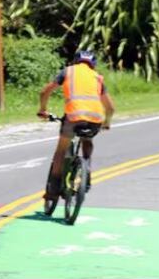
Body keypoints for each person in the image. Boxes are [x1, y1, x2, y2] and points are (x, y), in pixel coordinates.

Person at [37, 49, 115, 211]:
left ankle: (53, 190)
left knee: (61, 151)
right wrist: (107, 123)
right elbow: (111, 107)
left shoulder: (68, 72)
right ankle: (86, 169)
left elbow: (45, 91)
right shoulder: (97, 78)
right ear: (93, 64)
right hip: (94, 120)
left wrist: (43, 110)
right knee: (87, 139)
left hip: (73, 117)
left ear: (75, 60)